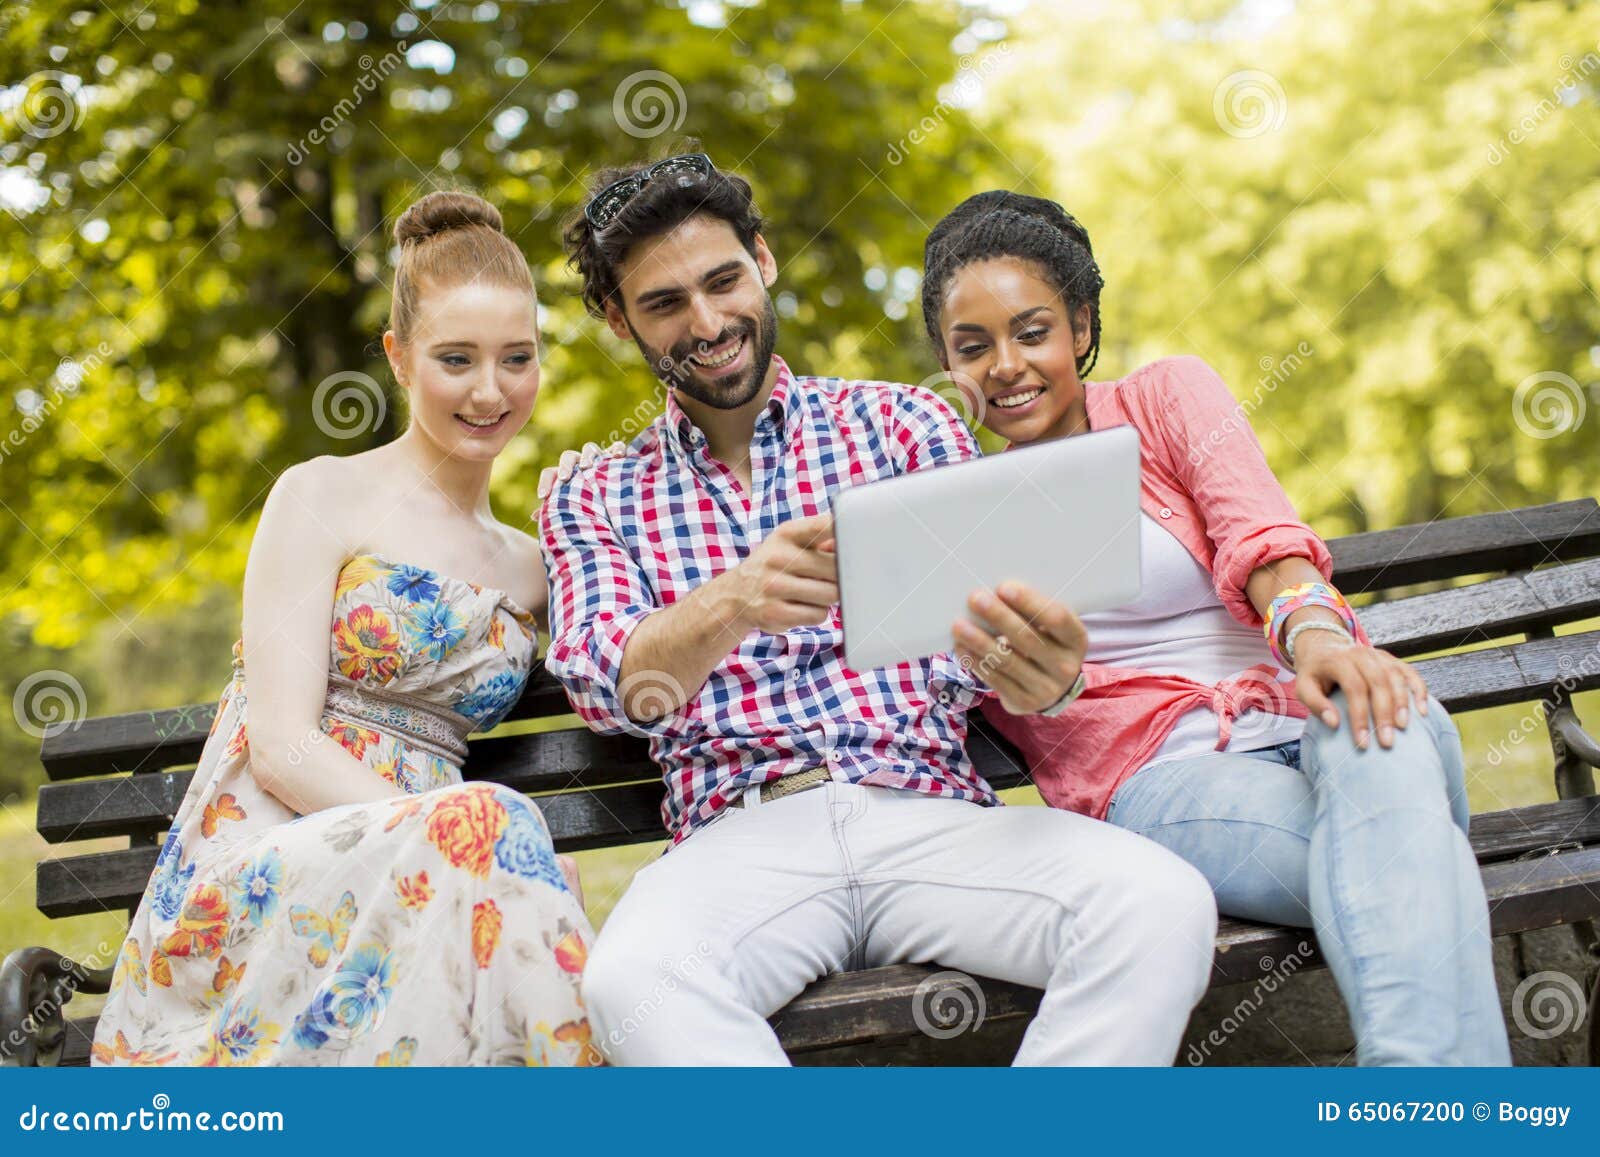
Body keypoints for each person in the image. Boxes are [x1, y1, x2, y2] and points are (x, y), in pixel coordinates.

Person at [540, 153, 1218, 1067]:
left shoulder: (903, 425)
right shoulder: (594, 495)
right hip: (741, 835)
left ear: (764, 261)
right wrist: (732, 601)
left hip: (924, 807)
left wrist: (1046, 675)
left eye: (723, 281)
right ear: (621, 320)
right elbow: (614, 686)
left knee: (1159, 902)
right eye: (664, 305)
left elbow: (981, 647)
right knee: (631, 987)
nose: (708, 323)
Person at [919, 189, 1510, 1065]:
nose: (1005, 365)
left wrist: (1321, 640)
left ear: (1081, 324)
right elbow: (974, 682)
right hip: (1167, 777)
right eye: (973, 349)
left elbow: (1261, 536)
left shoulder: (1165, 398)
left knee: (1376, 745)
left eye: (1032, 330)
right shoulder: (951, 509)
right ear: (947, 362)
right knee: (1416, 854)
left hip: (1315, 709)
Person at [92, 191, 600, 1067]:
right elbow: (283, 747)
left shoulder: (532, 562)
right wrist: (474, 829)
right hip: (273, 851)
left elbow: (625, 660)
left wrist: (603, 506)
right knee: (491, 833)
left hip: (448, 867)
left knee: (489, 881)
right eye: (456, 358)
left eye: (517, 358)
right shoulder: (319, 494)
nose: (491, 390)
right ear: (400, 359)